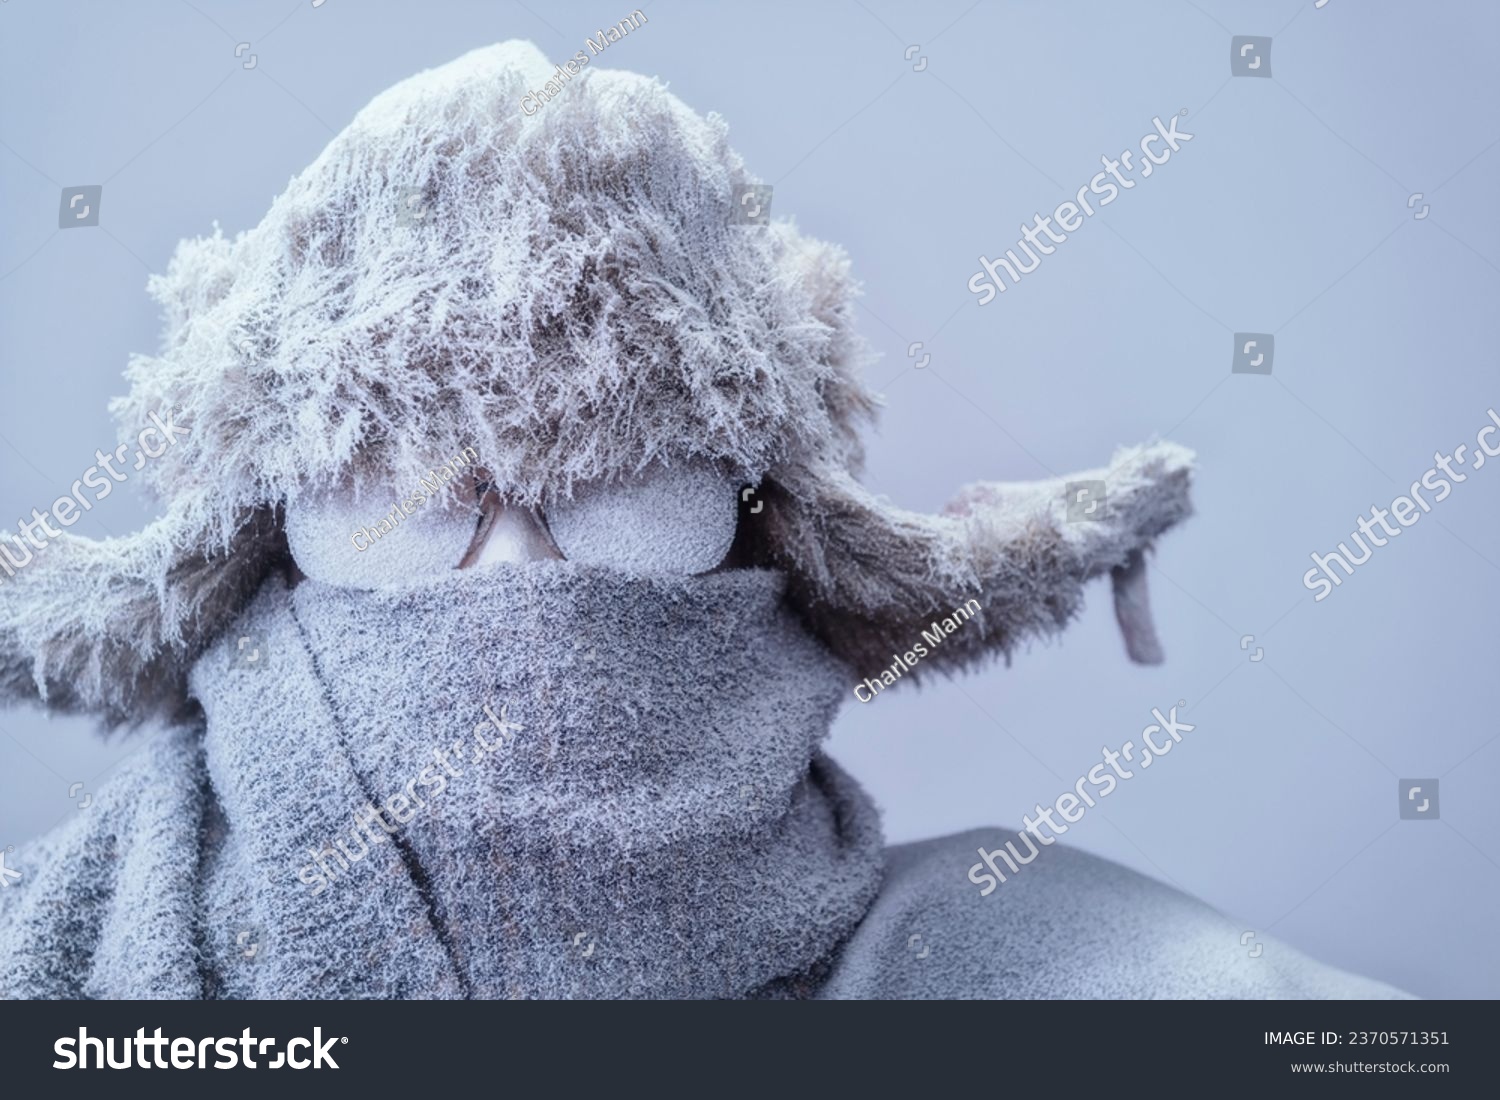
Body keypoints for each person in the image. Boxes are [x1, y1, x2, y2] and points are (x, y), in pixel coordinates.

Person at [0, 42, 1404, 999]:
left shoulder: (1001, 946)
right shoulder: (81, 944)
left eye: (624, 495)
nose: (520, 581)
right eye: (406, 502)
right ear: (275, 534)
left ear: (751, 529)